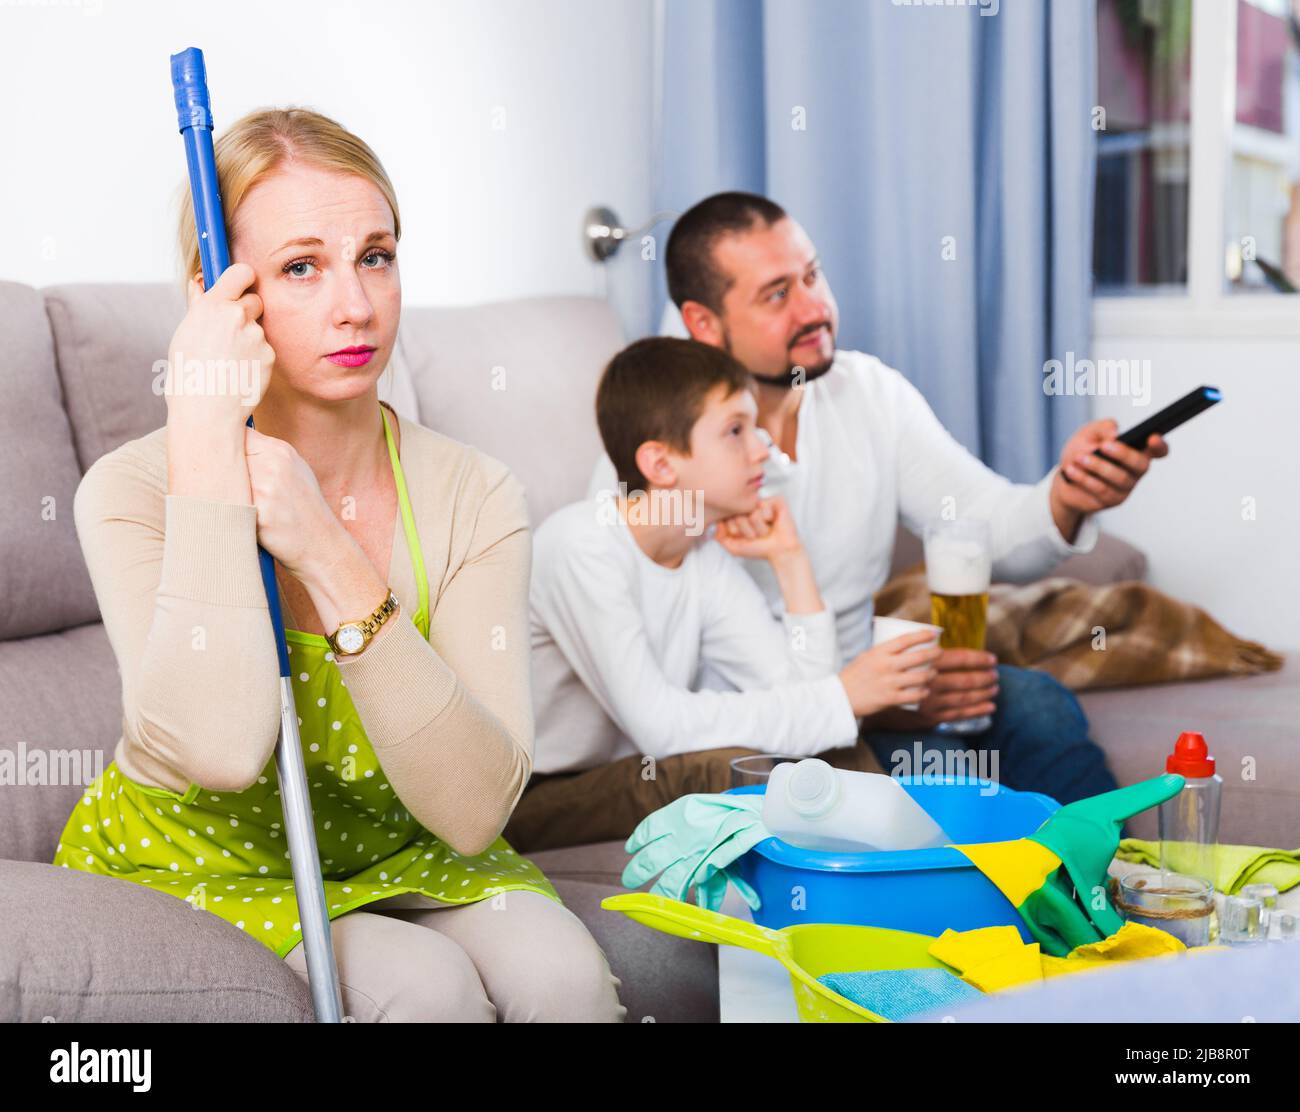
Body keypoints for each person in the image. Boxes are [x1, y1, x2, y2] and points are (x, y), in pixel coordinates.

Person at [52, 107, 624, 1022]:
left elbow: (477, 808)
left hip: (406, 846)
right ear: (220, 295)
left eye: (376, 256)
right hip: (206, 857)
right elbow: (221, 751)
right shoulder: (127, 492)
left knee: (564, 977)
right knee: (426, 989)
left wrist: (323, 547)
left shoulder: (476, 494)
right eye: (301, 267)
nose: (355, 305)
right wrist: (205, 447)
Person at [587, 192, 1170, 807]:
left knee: (1041, 706)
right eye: (777, 294)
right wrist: (866, 706)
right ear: (704, 323)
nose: (816, 308)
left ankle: (1110, 890)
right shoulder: (654, 469)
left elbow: (979, 526)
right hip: (767, 730)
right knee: (943, 771)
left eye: (812, 275)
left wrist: (1069, 493)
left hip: (862, 688)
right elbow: (661, 697)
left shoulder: (867, 393)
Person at [505, 337, 942, 851]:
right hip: (536, 796)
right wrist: (840, 697)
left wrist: (790, 559)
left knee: (820, 763)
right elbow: (661, 730)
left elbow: (810, 701)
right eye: (736, 431)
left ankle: (912, 879)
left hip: (638, 769)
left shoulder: (702, 554)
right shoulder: (581, 545)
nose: (762, 447)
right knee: (722, 769)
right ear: (662, 465)